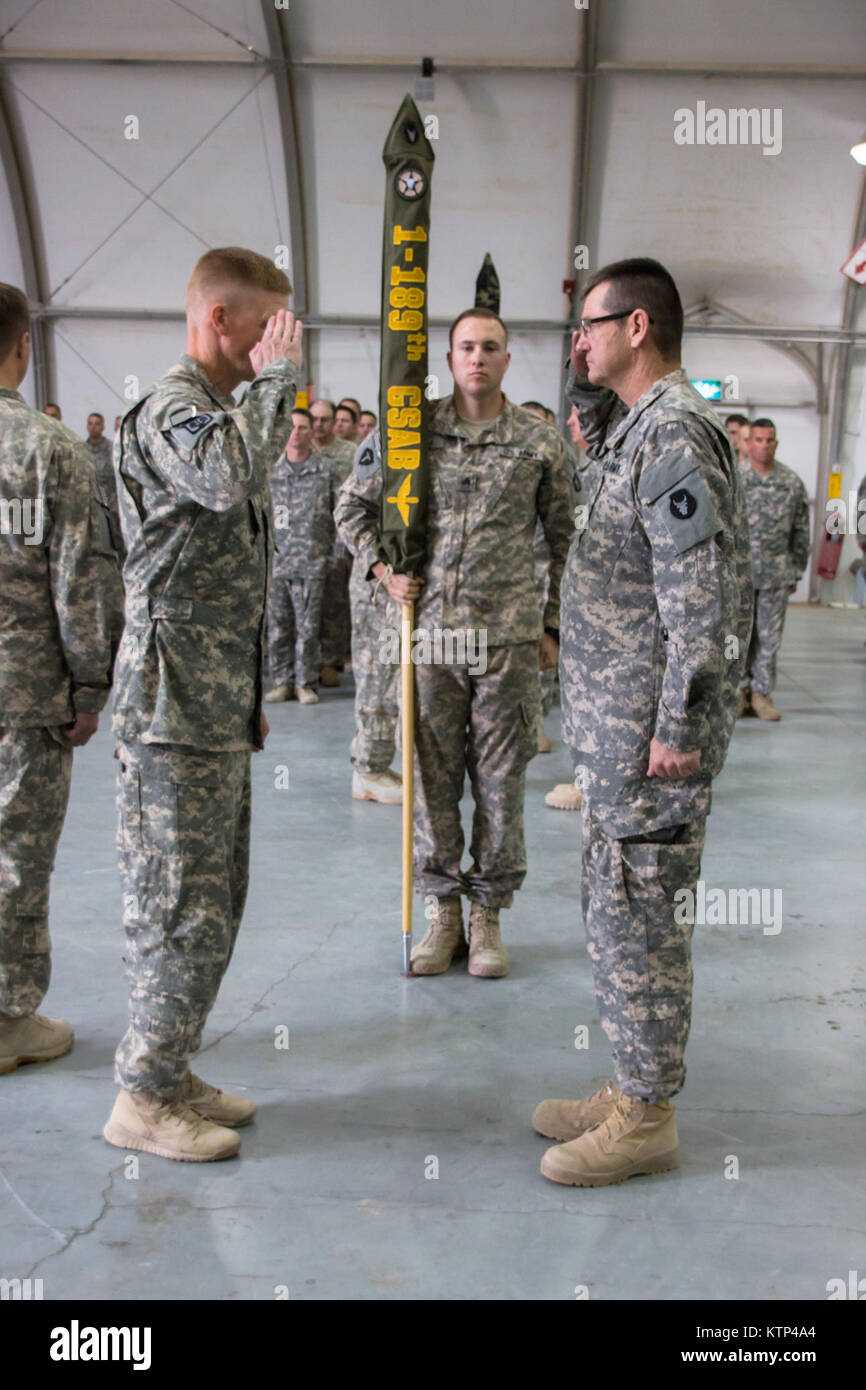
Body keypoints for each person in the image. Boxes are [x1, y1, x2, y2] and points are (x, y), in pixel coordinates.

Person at [534, 257, 752, 1187]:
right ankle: (632, 1084)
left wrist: (677, 726)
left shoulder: (670, 439)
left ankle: (647, 1116)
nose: (577, 340)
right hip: (616, 731)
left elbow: (699, 600)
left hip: (649, 740)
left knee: (643, 917)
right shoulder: (632, 434)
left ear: (637, 328)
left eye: (590, 323)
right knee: (620, 910)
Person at [104, 247, 302, 1162]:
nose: (278, 342)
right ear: (219, 320)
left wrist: (250, 693)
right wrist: (282, 384)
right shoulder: (174, 410)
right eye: (268, 326)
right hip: (167, 707)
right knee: (179, 901)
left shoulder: (222, 411)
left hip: (212, 703)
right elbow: (224, 479)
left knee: (217, 897)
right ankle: (140, 1098)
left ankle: (170, 1065)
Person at [337, 308, 573, 978]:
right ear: (449, 356)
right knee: (432, 779)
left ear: (506, 359)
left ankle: (489, 914)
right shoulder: (410, 432)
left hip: (506, 646)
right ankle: (442, 910)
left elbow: (567, 540)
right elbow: (352, 508)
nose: (478, 358)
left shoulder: (538, 442)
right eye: (466, 346)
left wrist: (552, 626)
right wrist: (384, 571)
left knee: (500, 781)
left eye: (490, 347)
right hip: (430, 640)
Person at [0, 283, 122, 1075]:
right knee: (14, 852)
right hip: (23, 693)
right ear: (21, 348)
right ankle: (6, 1017)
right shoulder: (49, 451)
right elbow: (81, 579)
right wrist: (89, 687)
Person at [335, 432, 402, 805]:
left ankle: (391, 763)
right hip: (378, 584)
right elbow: (349, 509)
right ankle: (369, 769)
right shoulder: (392, 434)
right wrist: (379, 565)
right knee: (379, 674)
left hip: (418, 584)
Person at [739, 419, 810, 721]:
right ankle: (738, 694)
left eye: (769, 440)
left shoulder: (791, 482)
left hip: (775, 574)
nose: (764, 446)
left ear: (776, 444)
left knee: (769, 638)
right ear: (747, 443)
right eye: (758, 439)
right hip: (739, 576)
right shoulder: (734, 480)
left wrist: (795, 571)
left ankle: (761, 695)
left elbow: (801, 531)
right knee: (739, 638)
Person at [264, 407, 336, 706]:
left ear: (312, 432)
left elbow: (340, 515)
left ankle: (306, 682)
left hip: (311, 561)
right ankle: (282, 681)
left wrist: (333, 557)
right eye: (292, 427)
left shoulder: (326, 471)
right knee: (278, 626)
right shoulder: (269, 472)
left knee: (308, 630)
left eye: (304, 427)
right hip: (276, 563)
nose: (297, 432)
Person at [310, 398, 355, 685]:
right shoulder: (297, 450)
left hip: (338, 539)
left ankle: (329, 661)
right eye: (315, 419)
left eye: (326, 419)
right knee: (303, 608)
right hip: (304, 542)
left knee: (335, 605)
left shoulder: (349, 453)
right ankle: (304, 665)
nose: (320, 424)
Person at [84, 410, 123, 556]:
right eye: (90, 424)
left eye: (97, 424)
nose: (93, 427)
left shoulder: (113, 449)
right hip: (91, 505)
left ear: (103, 427)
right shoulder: (81, 449)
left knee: (119, 544)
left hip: (113, 505)